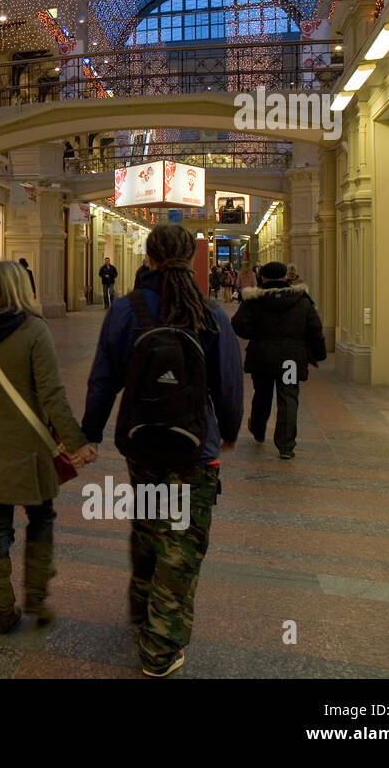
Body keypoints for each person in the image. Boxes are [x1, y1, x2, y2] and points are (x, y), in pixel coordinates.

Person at [81, 224, 244, 677]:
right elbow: (229, 383)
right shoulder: (209, 312)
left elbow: (103, 379)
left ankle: (141, 606)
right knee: (183, 542)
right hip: (194, 447)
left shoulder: (125, 311)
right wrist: (229, 429)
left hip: (143, 444)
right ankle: (159, 647)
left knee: (151, 522)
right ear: (191, 258)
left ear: (148, 258)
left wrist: (90, 433)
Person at [0, 260, 94, 633]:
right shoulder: (34, 331)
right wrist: (77, 442)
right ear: (23, 288)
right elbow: (51, 394)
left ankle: (2, 609)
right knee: (41, 518)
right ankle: (36, 595)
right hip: (31, 448)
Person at [231, 260, 327, 460]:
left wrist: (256, 334)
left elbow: (239, 325)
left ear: (263, 278)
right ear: (286, 277)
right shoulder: (301, 300)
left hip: (263, 356)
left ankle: (258, 428)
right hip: (291, 358)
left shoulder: (254, 300)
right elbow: (314, 328)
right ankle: (286, 445)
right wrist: (319, 353)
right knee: (289, 398)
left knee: (262, 395)